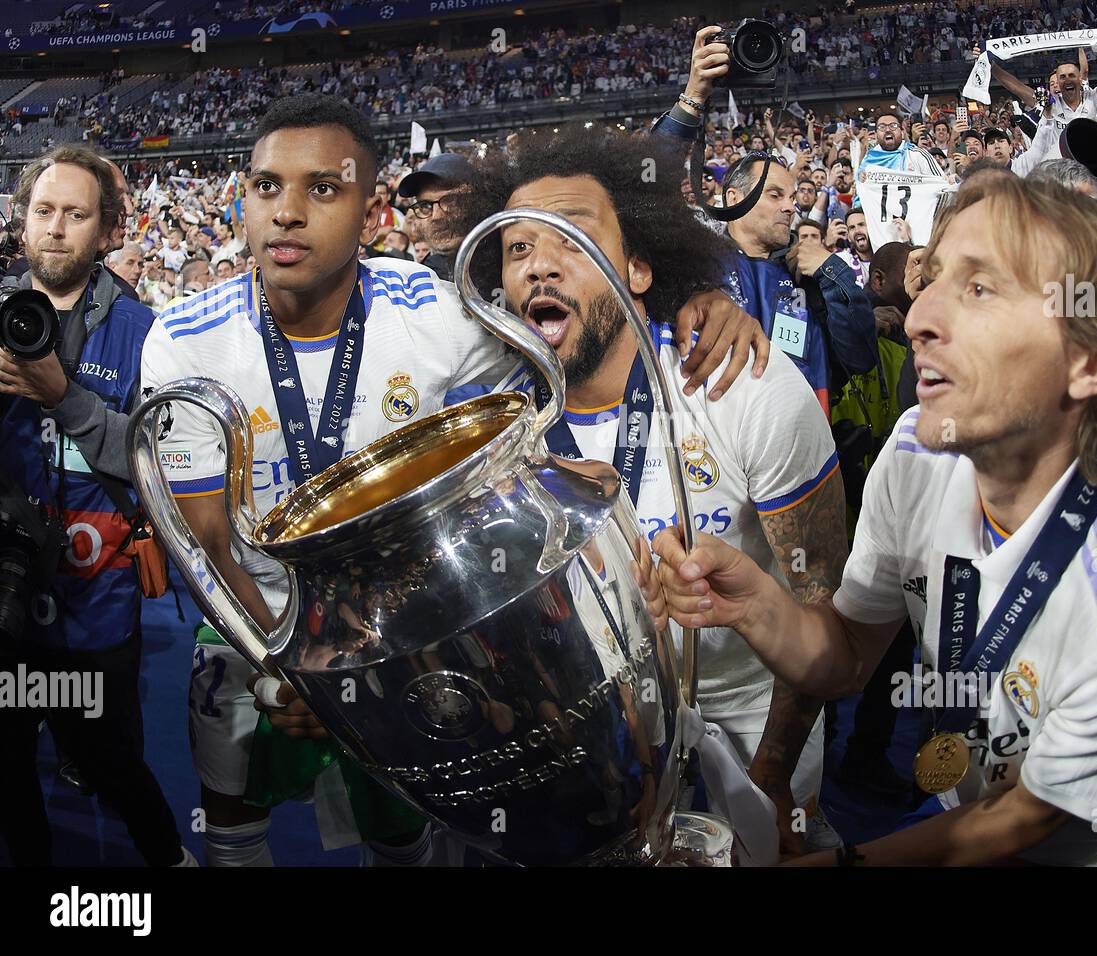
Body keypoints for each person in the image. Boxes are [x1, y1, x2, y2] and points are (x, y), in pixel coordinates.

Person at [143, 95, 773, 867]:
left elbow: (575, 340)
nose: (286, 213)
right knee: (232, 831)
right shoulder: (183, 338)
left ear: (374, 215)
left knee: (408, 838)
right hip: (256, 632)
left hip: (402, 641)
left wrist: (694, 301)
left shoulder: (438, 315)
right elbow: (207, 543)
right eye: (266, 187)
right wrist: (294, 669)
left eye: (323, 188)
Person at [653, 175, 1097, 865]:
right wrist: (756, 603)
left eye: (979, 289)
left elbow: (1020, 821)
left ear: (1092, 360)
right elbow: (846, 656)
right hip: (971, 806)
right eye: (936, 276)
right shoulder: (913, 454)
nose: (919, 312)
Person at [463, 125, 848, 856]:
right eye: (518, 249)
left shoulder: (743, 384)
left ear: (638, 269)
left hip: (749, 727)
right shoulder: (492, 436)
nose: (540, 265)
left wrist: (769, 778)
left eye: (570, 239)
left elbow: (822, 603)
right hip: (591, 752)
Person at [0, 144, 192, 867]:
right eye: (43, 212)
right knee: (11, 762)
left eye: (76, 214)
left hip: (98, 604)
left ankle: (169, 857)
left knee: (112, 762)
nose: (55, 228)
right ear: (22, 227)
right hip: (10, 598)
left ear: (108, 232)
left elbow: (159, 465)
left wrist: (62, 398)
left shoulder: (147, 333)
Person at [397, 153, 473, 280]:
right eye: (425, 205)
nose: (436, 216)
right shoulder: (426, 274)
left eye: (450, 201)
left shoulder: (506, 260)